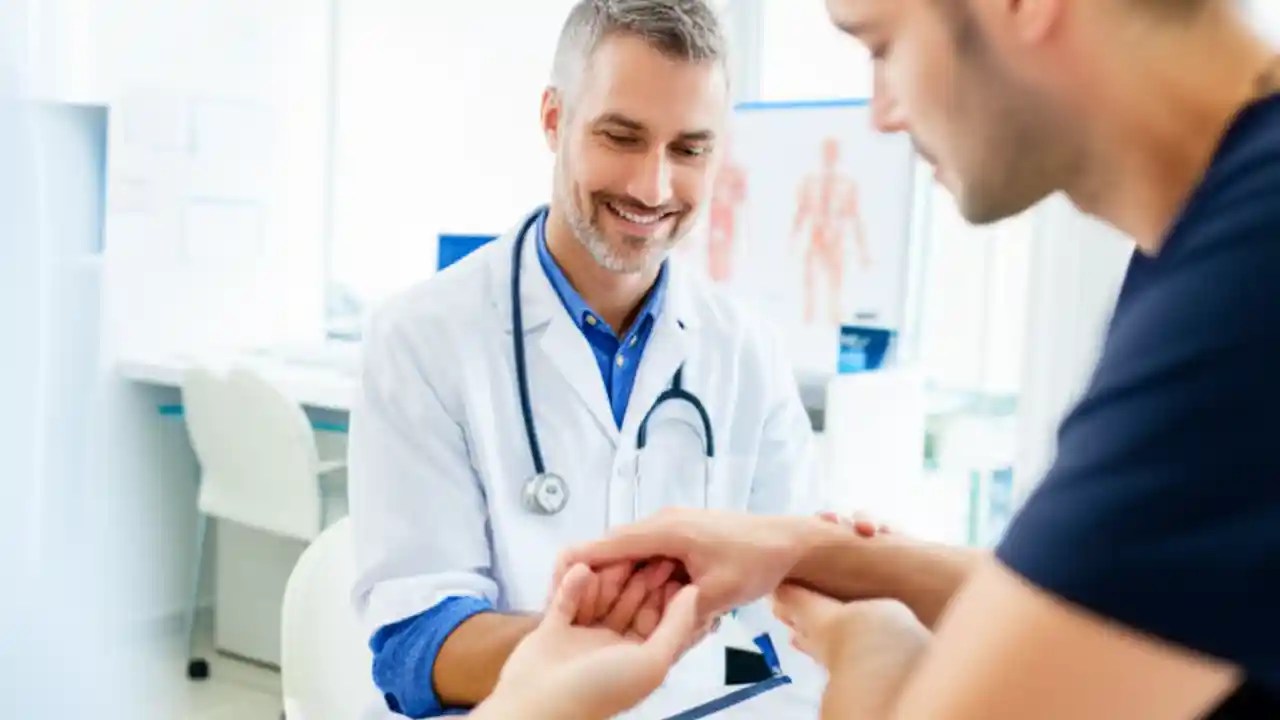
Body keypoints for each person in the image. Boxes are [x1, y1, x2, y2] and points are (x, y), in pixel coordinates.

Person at [547, 0, 1280, 717]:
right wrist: (802, 548)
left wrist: (877, 652)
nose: (883, 114)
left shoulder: (1245, 290)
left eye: (882, 47)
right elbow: (1107, 601)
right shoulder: (1221, 240)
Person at [347, 1, 823, 717]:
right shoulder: (421, 339)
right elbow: (415, 647)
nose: (652, 187)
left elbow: (790, 609)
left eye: (688, 150)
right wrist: (585, 652)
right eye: (621, 137)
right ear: (553, 119)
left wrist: (693, 667)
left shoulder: (747, 351)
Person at [791, 136, 870, 325]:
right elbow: (801, 213)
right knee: (810, 287)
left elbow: (855, 218)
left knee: (835, 290)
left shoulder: (847, 184)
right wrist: (792, 240)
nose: (830, 156)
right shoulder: (810, 182)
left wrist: (863, 251)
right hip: (815, 239)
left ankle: (833, 324)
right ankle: (806, 323)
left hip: (836, 242)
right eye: (827, 151)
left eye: (833, 152)